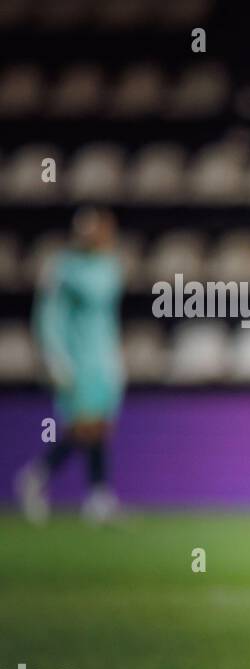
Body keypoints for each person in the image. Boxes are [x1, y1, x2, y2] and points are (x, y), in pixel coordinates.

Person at [15, 206, 125, 524]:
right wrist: (54, 356)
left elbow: (108, 318)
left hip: (101, 357)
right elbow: (48, 315)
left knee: (100, 426)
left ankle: (95, 494)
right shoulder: (62, 269)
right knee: (82, 426)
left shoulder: (110, 267)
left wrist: (115, 357)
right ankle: (43, 478)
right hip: (75, 358)